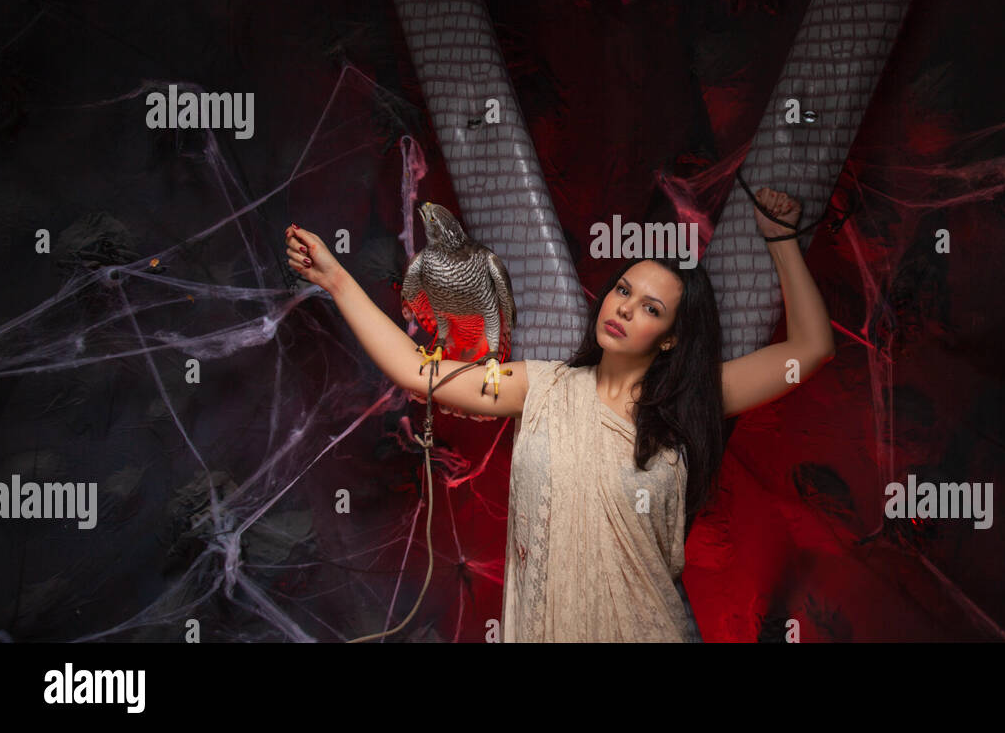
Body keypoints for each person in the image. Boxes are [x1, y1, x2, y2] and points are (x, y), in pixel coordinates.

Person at [283, 186, 835, 641]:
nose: (623, 307)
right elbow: (415, 371)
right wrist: (336, 278)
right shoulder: (538, 385)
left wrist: (781, 240)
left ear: (670, 338)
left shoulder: (693, 401)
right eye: (623, 289)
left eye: (651, 308)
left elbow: (811, 349)